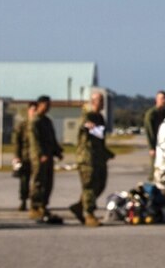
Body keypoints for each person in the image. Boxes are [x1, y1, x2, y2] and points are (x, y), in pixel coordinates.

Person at [70, 91, 113, 227]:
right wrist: (89, 126)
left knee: (100, 185)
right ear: (94, 102)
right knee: (89, 186)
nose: (103, 103)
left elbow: (100, 138)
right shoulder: (88, 115)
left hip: (98, 157)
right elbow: (86, 127)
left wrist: (106, 153)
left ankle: (79, 206)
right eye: (101, 100)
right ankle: (89, 214)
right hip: (87, 158)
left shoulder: (100, 117)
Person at [29, 95, 63, 224]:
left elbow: (52, 139)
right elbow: (34, 140)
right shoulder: (35, 121)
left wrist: (57, 151)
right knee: (38, 182)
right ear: (39, 105)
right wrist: (40, 154)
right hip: (39, 157)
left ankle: (43, 205)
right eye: (46, 105)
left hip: (48, 156)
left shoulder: (47, 121)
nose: (48, 108)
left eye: (49, 105)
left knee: (48, 182)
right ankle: (35, 206)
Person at [11, 102, 36, 211]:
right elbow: (17, 141)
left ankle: (36, 202)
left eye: (36, 110)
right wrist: (17, 156)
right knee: (24, 180)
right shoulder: (23, 125)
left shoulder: (40, 124)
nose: (34, 112)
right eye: (32, 110)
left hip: (36, 157)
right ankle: (23, 200)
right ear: (28, 111)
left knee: (37, 181)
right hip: (25, 156)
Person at [143, 90, 165, 169]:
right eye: (162, 98)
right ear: (156, 99)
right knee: (156, 168)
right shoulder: (151, 114)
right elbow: (149, 132)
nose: (164, 100)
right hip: (156, 145)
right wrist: (151, 147)